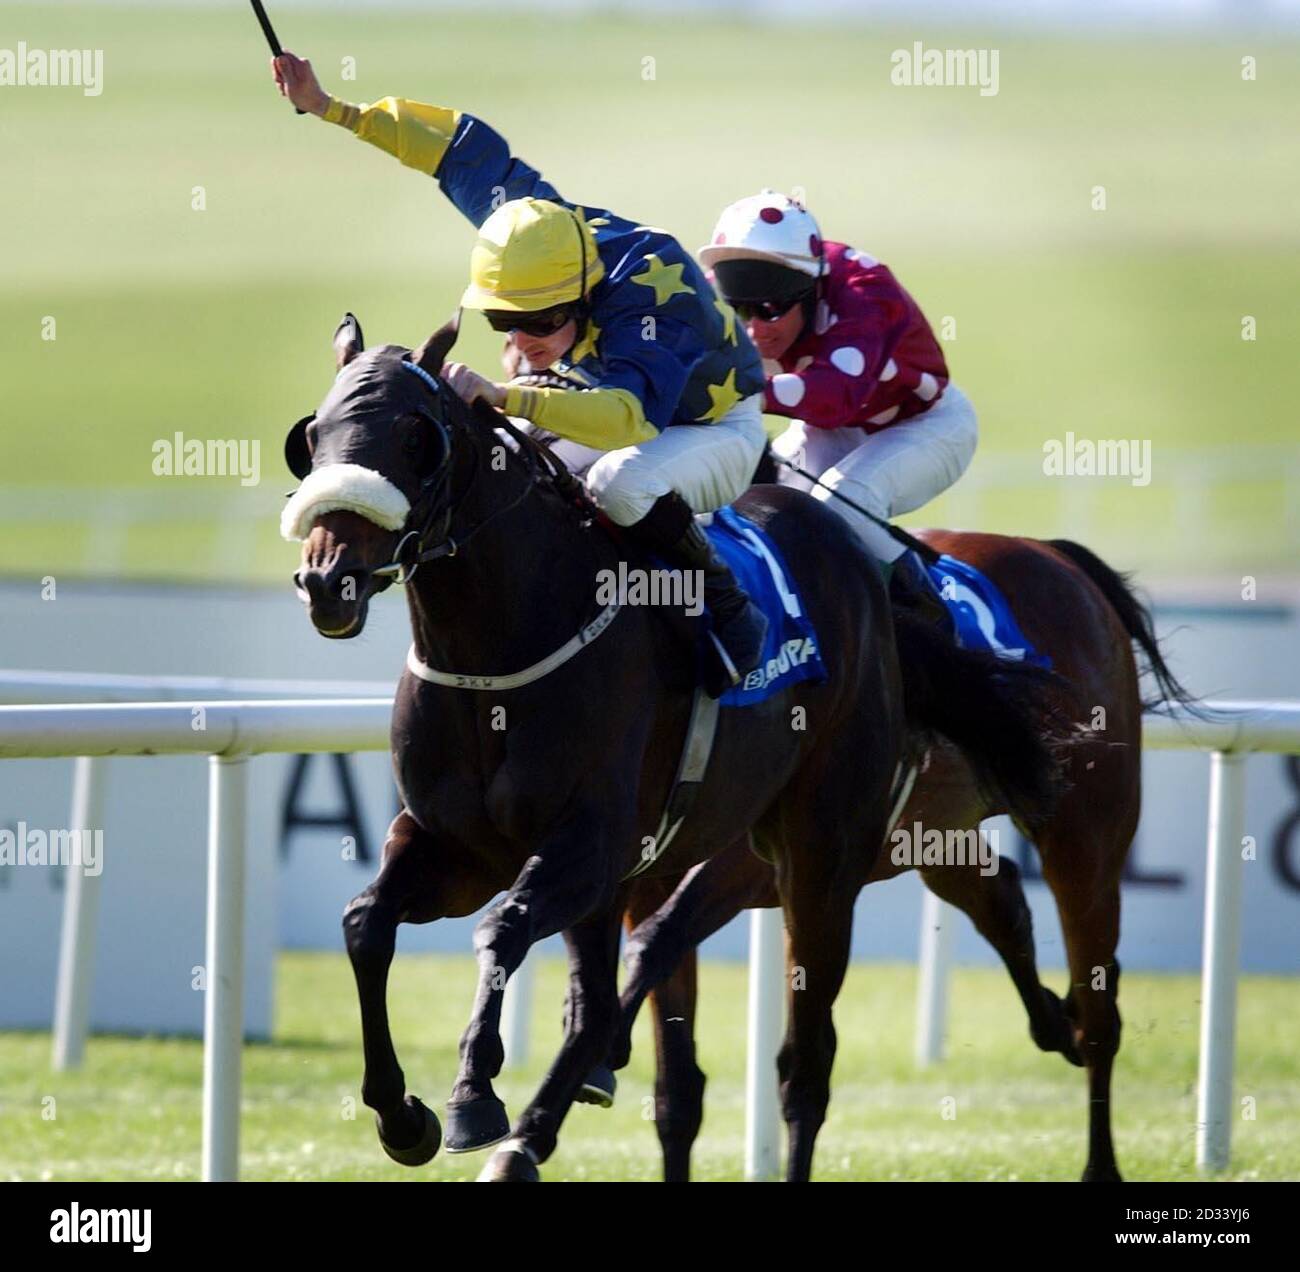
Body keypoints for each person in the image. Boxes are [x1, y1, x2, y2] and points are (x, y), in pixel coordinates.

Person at [271, 53, 768, 691]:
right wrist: (330, 106)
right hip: (604, 393)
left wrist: (509, 395)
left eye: (538, 324)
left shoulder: (651, 291)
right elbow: (456, 145)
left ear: (584, 293)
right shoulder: (531, 228)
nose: (522, 340)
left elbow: (629, 419)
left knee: (619, 483)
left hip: (711, 426)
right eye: (504, 323)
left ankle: (724, 602)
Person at [699, 190, 977, 631]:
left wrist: (730, 389)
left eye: (770, 309)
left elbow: (834, 395)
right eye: (740, 308)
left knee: (841, 503)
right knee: (772, 516)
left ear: (810, 290)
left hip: (925, 425)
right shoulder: (716, 294)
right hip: (831, 429)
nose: (754, 329)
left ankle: (931, 616)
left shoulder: (863, 289)